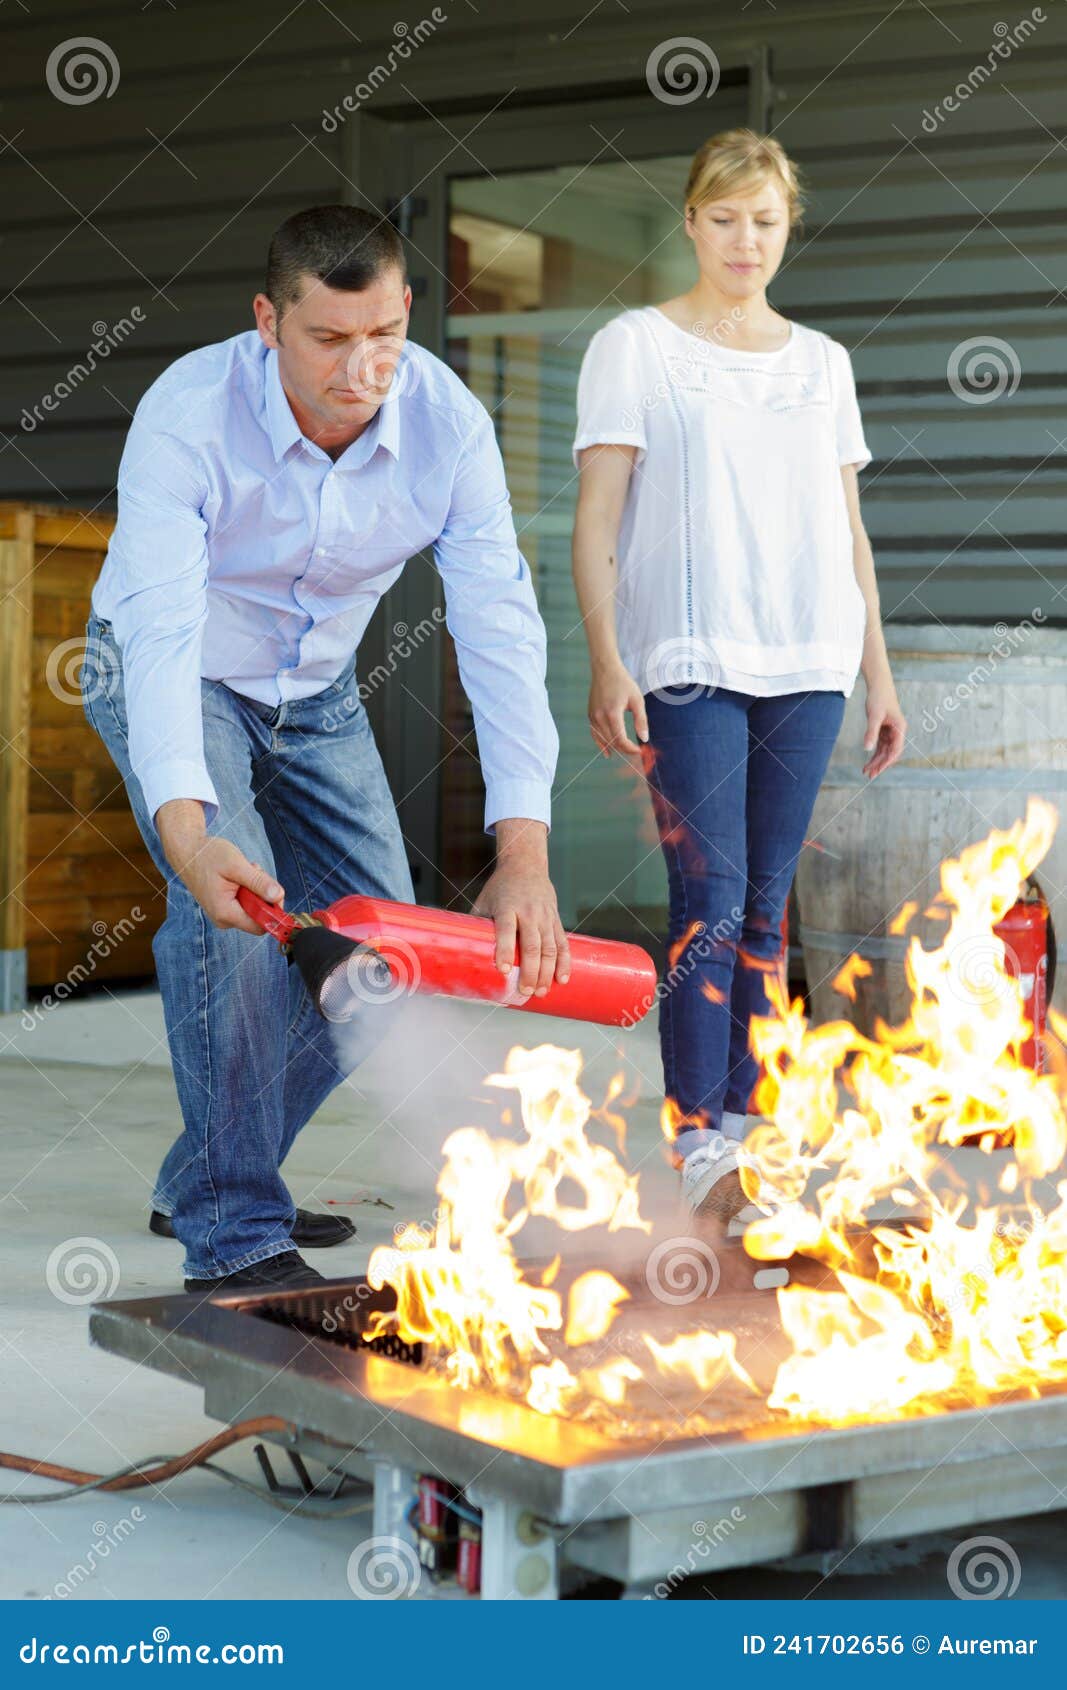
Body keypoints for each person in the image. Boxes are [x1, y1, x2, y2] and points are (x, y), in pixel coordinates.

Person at [83, 205, 567, 1292]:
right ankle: (234, 1230)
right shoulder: (187, 414)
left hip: (316, 689)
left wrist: (523, 849)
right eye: (329, 340)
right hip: (180, 668)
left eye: (384, 334)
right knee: (238, 928)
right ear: (268, 321)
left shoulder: (449, 427)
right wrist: (190, 834)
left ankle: (205, 1164)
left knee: (377, 956)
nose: (363, 369)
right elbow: (160, 632)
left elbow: (498, 624)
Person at [570, 130, 905, 1222]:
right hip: (688, 658)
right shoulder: (635, 346)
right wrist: (607, 654)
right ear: (690, 223)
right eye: (723, 219)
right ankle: (696, 1137)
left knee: (768, 906)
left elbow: (847, 533)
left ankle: (755, 1131)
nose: (743, 240)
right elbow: (598, 515)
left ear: (785, 226)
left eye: (763, 220)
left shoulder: (822, 363)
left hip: (807, 657)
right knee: (706, 901)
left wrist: (877, 675)